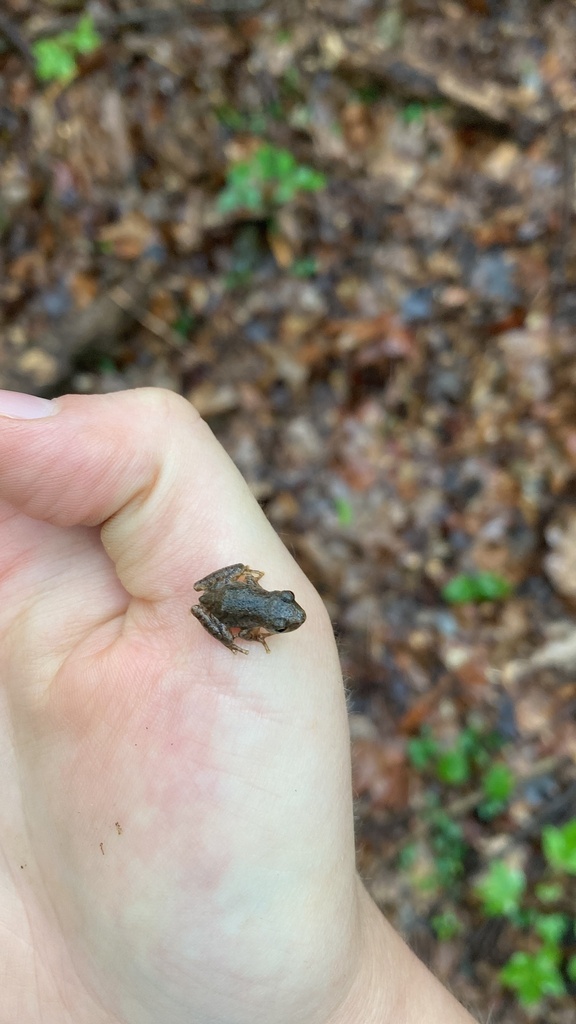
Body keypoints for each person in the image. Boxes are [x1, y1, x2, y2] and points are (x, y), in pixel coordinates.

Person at [0, 387, 478, 1024]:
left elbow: (242, 584)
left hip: (231, 598)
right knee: (219, 601)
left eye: (282, 624)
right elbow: (220, 595)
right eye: (283, 622)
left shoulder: (274, 610)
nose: (289, 622)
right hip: (220, 608)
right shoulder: (259, 614)